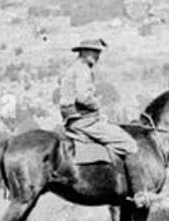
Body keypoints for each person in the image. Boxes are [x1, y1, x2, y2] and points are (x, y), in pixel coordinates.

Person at [58, 37, 151, 207]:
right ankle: (138, 194)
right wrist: (97, 103)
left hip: (76, 118)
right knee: (129, 143)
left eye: (98, 52)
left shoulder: (74, 68)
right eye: (95, 52)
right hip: (83, 121)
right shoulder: (83, 69)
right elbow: (83, 97)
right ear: (84, 51)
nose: (98, 56)